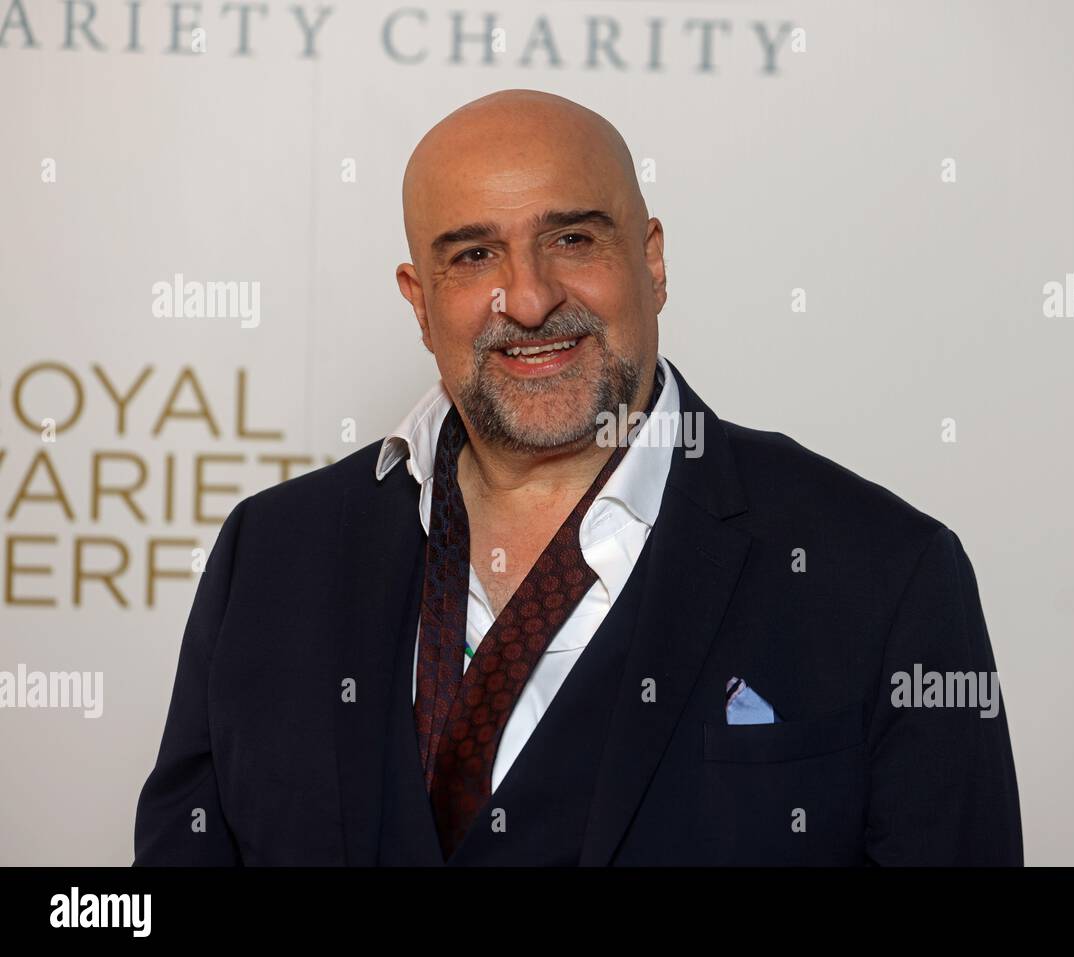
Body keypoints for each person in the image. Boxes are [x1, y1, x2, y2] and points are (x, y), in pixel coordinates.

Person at [134, 88, 1023, 866]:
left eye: (571, 237)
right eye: (474, 255)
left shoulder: (880, 574)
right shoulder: (273, 555)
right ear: (418, 299)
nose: (528, 299)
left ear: (653, 257)